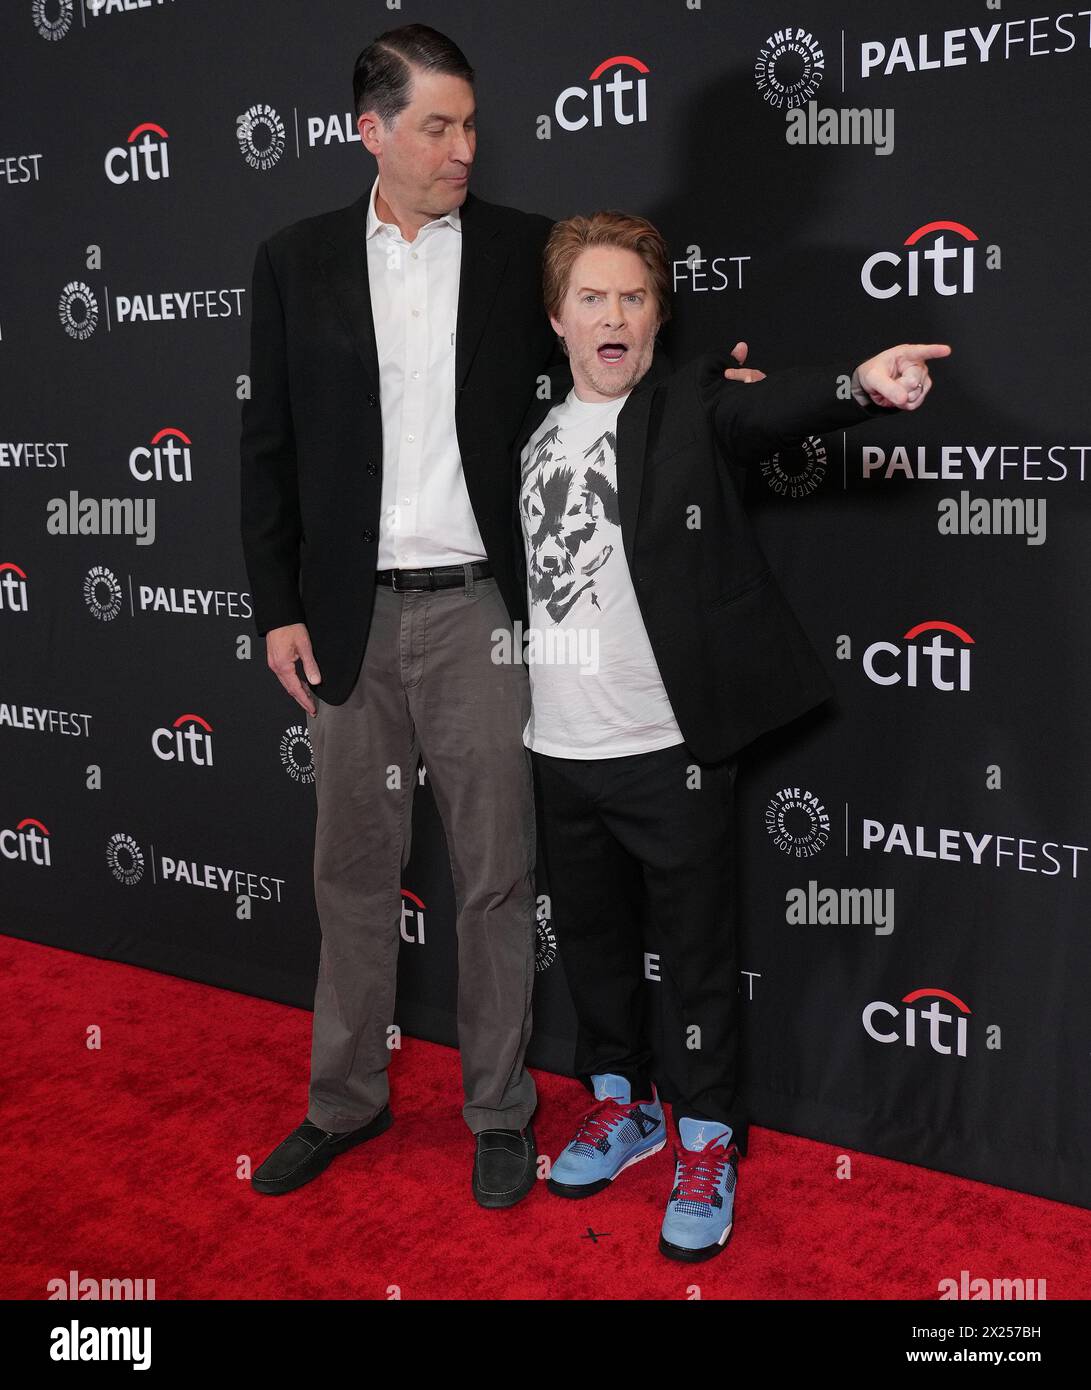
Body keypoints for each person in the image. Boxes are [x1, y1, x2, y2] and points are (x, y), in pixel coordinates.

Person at [511, 210, 948, 1259]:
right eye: (591, 298)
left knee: (696, 959)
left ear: (659, 315)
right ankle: (622, 1102)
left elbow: (766, 415)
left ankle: (704, 1135)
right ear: (557, 318)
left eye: (632, 297)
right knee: (597, 951)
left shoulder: (688, 405)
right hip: (557, 749)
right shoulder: (526, 434)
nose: (612, 315)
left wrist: (856, 385)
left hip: (668, 749)